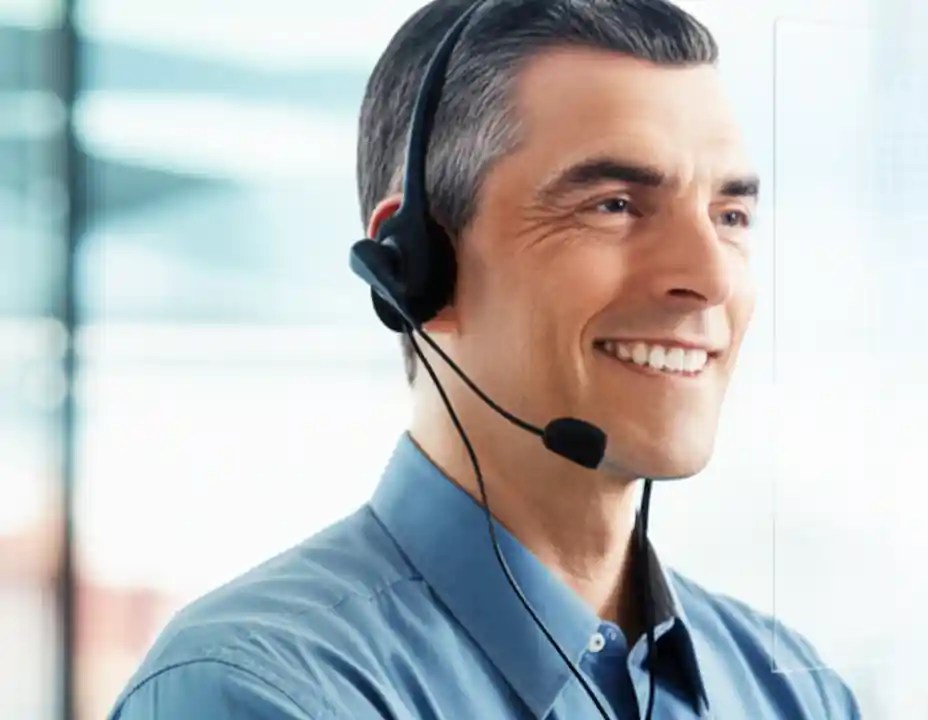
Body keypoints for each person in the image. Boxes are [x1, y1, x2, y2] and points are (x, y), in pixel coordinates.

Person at [108, 0, 860, 717]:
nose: (711, 277)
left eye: (730, 216)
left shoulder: (793, 691)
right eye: (614, 205)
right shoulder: (258, 691)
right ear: (417, 265)